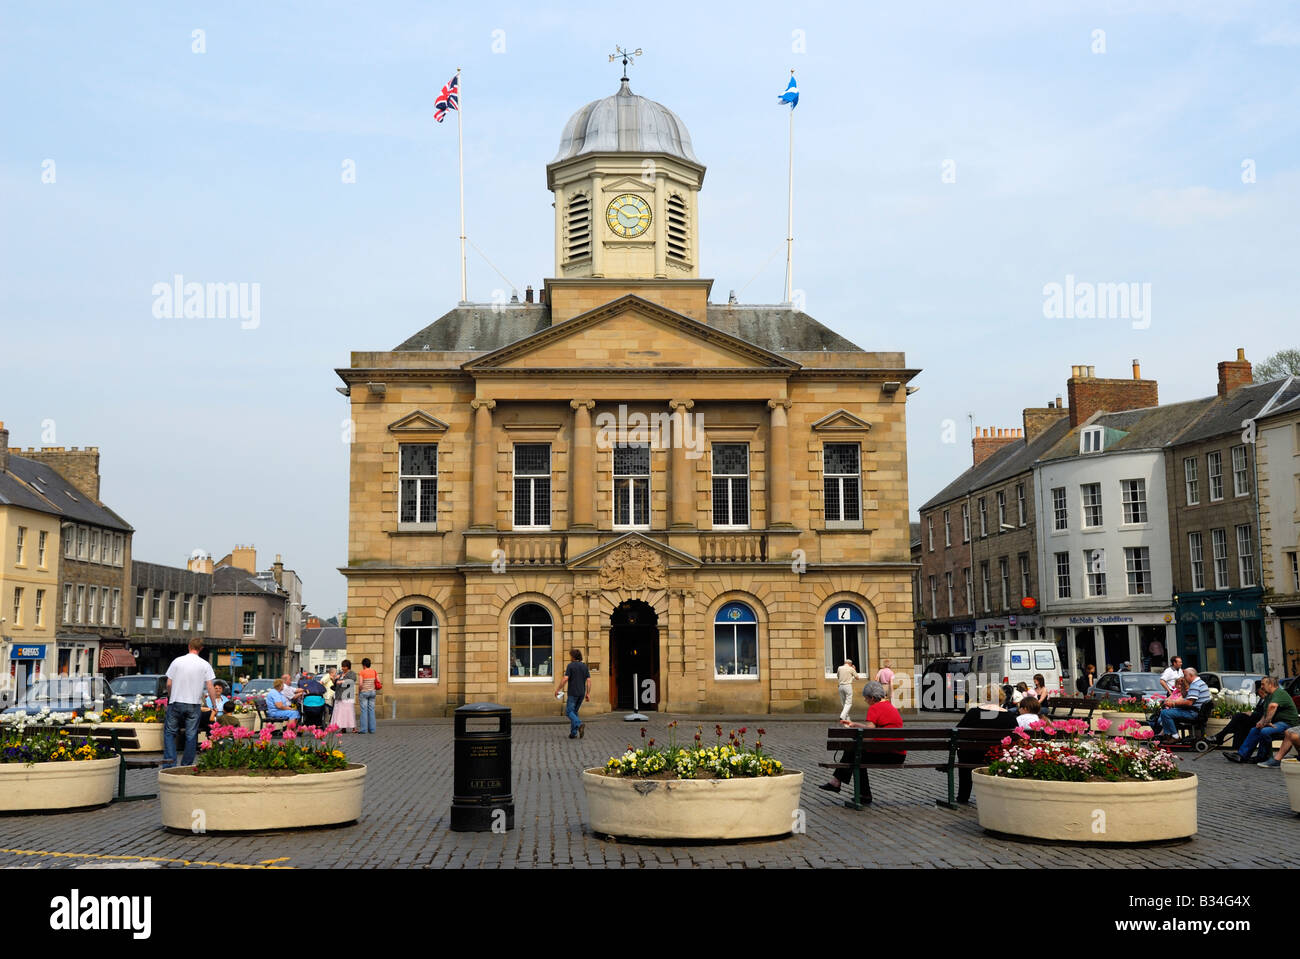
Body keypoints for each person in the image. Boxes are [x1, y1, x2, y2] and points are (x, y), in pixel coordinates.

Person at [819, 681, 904, 803]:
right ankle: (847, 787)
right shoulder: (891, 707)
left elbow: (869, 737)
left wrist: (857, 736)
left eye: (866, 698)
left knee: (855, 754)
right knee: (856, 754)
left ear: (873, 698)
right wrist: (855, 725)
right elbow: (873, 729)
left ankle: (841, 785)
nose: (865, 701)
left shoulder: (874, 708)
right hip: (898, 755)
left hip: (886, 754)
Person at [162, 639, 222, 768]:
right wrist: (214, 705)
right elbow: (210, 686)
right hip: (194, 704)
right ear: (201, 649)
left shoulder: (177, 661)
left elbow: (168, 683)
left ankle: (169, 764)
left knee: (170, 733)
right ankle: (186, 764)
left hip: (176, 701)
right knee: (191, 734)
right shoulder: (204, 664)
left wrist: (170, 696)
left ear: (189, 646)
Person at [953, 686, 1018, 804]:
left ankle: (963, 796)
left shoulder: (973, 713)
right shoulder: (1009, 716)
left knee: (964, 753)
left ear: (984, 697)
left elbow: (958, 733)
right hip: (998, 756)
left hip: (971, 756)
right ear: (1001, 698)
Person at [1232, 676, 1299, 766]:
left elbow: (1272, 707)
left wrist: (1266, 722)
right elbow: (1265, 713)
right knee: (1254, 730)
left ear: (1270, 684)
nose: (1262, 686)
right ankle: (1242, 755)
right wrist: (1260, 722)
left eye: (1263, 684)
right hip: (1278, 723)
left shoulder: (1279, 693)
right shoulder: (1269, 696)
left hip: (1288, 724)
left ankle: (1264, 757)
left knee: (1265, 731)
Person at [1156, 667, 1211, 739]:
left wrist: (1173, 704)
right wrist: (1182, 686)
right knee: (1168, 712)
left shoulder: (1195, 686)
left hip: (1193, 713)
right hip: (1196, 711)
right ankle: (1168, 735)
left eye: (1185, 676)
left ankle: (1174, 736)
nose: (1184, 678)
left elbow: (1189, 703)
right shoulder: (1201, 683)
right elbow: (1185, 696)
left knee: (1165, 713)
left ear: (1191, 675)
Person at [1212, 681, 1267, 749]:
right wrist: (1250, 713)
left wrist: (1252, 713)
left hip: (1263, 721)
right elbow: (1258, 711)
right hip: (1256, 719)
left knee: (1239, 717)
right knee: (1239, 724)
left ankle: (1220, 736)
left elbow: (1265, 714)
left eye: (1258, 693)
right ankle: (1236, 748)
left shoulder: (1269, 699)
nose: (1258, 695)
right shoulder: (1262, 699)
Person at [554, 648, 591, 739]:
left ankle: (579, 724)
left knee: (569, 712)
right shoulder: (584, 666)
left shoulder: (570, 666)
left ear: (573, 656)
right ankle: (573, 733)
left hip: (573, 692)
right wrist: (588, 693)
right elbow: (589, 681)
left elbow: (565, 679)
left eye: (570, 655)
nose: (569, 657)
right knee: (574, 712)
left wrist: (558, 689)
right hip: (581, 693)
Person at [332, 660, 357, 733]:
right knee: (341, 713)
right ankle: (343, 728)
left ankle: (354, 728)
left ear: (347, 667)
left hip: (347, 695)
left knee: (349, 712)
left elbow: (352, 681)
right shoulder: (340, 674)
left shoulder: (352, 673)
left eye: (344, 666)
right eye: (342, 666)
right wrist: (335, 678)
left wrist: (342, 681)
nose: (342, 668)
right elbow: (335, 683)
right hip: (339, 695)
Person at [357, 658, 378, 734]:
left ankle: (363, 729)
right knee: (371, 710)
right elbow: (377, 681)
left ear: (364, 665)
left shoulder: (362, 672)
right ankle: (372, 729)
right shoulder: (374, 672)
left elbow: (360, 684)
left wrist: (359, 691)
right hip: (372, 692)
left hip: (364, 692)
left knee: (364, 711)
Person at [836, 658, 859, 722]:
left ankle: (847, 717)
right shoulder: (851, 668)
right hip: (848, 686)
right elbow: (857, 677)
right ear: (850, 664)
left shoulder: (839, 668)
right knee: (848, 703)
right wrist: (854, 669)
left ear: (845, 663)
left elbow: (838, 676)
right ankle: (842, 716)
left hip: (840, 686)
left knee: (843, 702)